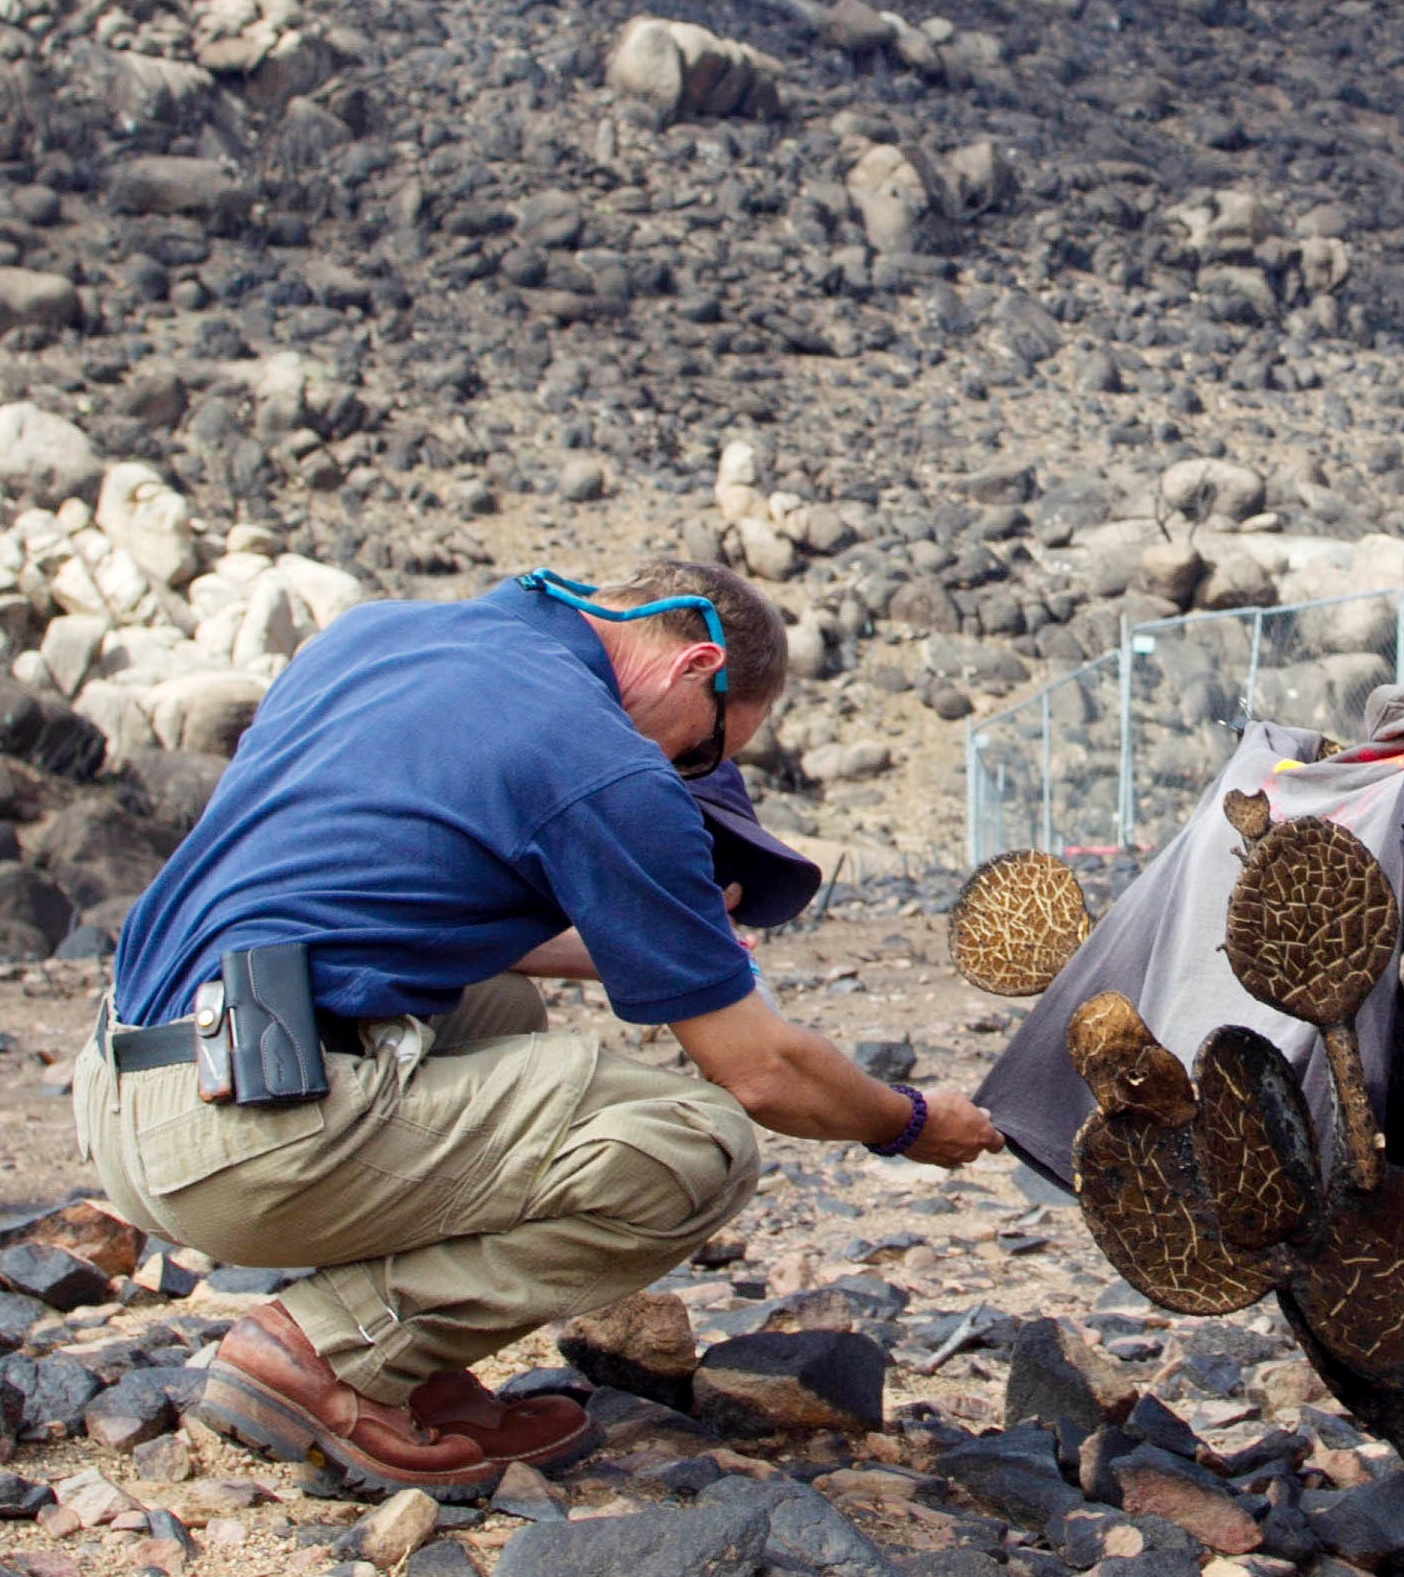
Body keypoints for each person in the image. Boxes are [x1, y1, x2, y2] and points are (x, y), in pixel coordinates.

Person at [79, 560, 1003, 1495]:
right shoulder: (603, 758)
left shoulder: (375, 636)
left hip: (134, 1087)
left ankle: (413, 1365)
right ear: (700, 666)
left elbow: (371, 887)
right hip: (235, 1143)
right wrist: (911, 1122)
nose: (695, 772)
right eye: (706, 754)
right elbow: (762, 1075)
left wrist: (649, 939)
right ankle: (326, 1350)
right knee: (698, 1149)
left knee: (500, 1010)